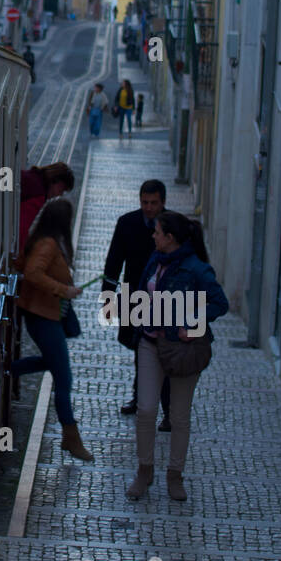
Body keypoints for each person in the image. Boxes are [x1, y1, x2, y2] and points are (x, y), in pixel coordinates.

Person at [126, 210, 228, 503]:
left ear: (170, 238)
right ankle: (144, 471)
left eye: (157, 232)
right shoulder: (155, 260)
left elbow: (219, 302)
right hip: (149, 342)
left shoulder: (196, 269)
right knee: (146, 409)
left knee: (179, 415)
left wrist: (193, 323)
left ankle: (175, 475)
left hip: (182, 350)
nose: (153, 235)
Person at [13, 198, 93, 462]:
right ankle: (71, 437)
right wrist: (64, 290)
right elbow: (33, 272)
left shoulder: (48, 239)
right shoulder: (48, 243)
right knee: (64, 378)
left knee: (53, 365)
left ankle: (7, 369)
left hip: (46, 316)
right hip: (42, 317)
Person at [101, 179, 171, 429]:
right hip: (135, 296)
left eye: (153, 203)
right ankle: (141, 397)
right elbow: (114, 261)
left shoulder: (173, 225)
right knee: (141, 348)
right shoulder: (127, 222)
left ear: (163, 202)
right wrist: (108, 300)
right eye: (144, 202)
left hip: (165, 298)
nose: (148, 207)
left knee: (164, 351)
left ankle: (169, 409)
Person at [19, 161, 75, 256]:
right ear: (55, 180)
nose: (60, 194)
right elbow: (22, 226)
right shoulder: (38, 193)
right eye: (62, 189)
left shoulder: (33, 176)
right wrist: (22, 253)